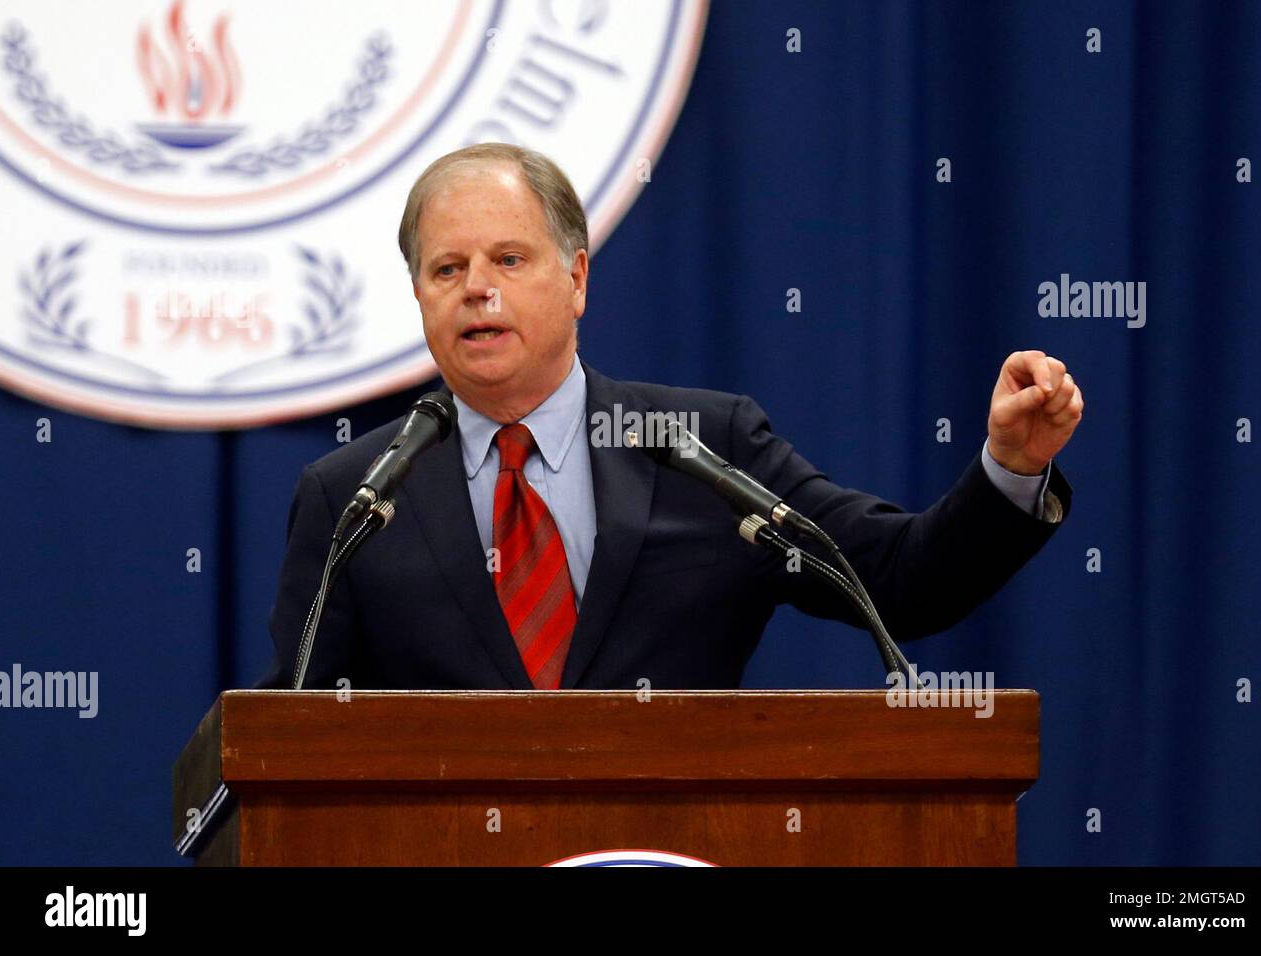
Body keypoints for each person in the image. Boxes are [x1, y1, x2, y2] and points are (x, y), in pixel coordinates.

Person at [257, 143, 1081, 691]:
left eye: (509, 259)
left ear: (577, 279)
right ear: (420, 297)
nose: (478, 286)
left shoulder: (701, 450)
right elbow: (292, 741)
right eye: (448, 268)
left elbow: (900, 581)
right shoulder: (353, 496)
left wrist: (1009, 467)